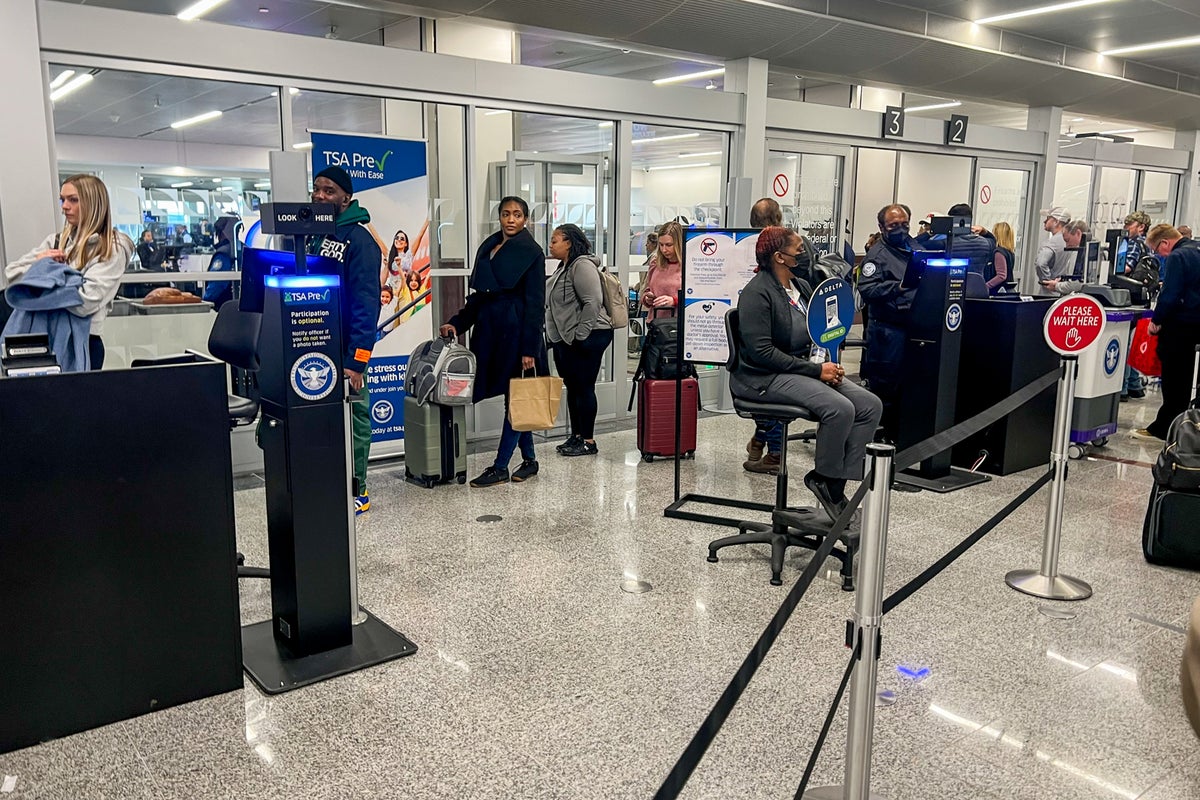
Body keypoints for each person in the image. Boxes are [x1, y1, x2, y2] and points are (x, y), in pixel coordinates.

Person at [731, 226, 882, 517]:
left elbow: (819, 331)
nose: (806, 254)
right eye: (799, 249)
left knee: (868, 405)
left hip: (799, 368)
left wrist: (827, 362)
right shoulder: (756, 294)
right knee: (839, 409)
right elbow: (763, 354)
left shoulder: (800, 286)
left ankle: (836, 483)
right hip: (762, 378)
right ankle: (823, 478)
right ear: (779, 257)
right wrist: (815, 371)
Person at [440, 196, 547, 488]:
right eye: (505, 214)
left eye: (517, 215)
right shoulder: (488, 246)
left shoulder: (532, 252)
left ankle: (500, 466)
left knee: (515, 398)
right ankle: (530, 460)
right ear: (498, 217)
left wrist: (529, 349)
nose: (511, 219)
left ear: (526, 219)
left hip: (517, 335)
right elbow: (479, 298)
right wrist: (457, 322)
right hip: (490, 332)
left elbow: (537, 304)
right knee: (515, 397)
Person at [306, 166, 382, 514]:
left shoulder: (361, 241)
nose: (321, 196)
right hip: (312, 343)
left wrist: (357, 361)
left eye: (330, 191)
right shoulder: (312, 236)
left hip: (345, 351)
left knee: (355, 420)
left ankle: (358, 490)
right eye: (317, 189)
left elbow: (367, 304)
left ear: (346, 198)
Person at [4, 174, 133, 370]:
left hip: (84, 342)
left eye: (73, 200)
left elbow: (86, 301)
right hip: (41, 341)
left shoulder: (112, 247)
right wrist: (41, 264)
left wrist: (43, 280)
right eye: (62, 199)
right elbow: (12, 276)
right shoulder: (56, 242)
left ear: (93, 203)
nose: (65, 206)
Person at [546, 223, 613, 458]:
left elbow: (592, 302)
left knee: (584, 388)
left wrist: (580, 336)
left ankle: (588, 440)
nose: (551, 244)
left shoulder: (582, 265)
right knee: (573, 388)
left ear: (569, 243)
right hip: (567, 338)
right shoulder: (562, 267)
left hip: (590, 335)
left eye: (555, 240)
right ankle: (576, 436)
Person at [858, 203, 922, 437]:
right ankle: (881, 437)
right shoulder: (876, 256)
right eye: (894, 225)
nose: (901, 229)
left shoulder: (914, 246)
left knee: (910, 384)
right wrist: (899, 287)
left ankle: (903, 434)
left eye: (905, 224)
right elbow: (867, 290)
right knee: (886, 387)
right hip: (887, 332)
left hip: (914, 327)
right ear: (882, 227)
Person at [1132, 224, 1200, 441]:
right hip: (1197, 325)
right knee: (1189, 378)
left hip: (1180, 326)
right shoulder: (1197, 249)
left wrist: (1157, 320)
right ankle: (1185, 427)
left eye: (1157, 250)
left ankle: (1164, 428)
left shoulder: (1178, 256)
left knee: (1173, 379)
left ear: (1165, 243)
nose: (1158, 255)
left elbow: (1170, 293)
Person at [744, 197, 786, 475]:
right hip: (781, 329)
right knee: (766, 394)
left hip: (764, 332)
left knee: (766, 394)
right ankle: (763, 440)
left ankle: (774, 452)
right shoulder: (790, 242)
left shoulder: (757, 245)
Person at [640, 220, 683, 320]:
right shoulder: (655, 263)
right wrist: (647, 298)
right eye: (661, 245)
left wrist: (674, 301)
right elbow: (647, 290)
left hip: (677, 324)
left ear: (679, 244)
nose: (664, 250)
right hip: (656, 323)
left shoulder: (689, 266)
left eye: (668, 245)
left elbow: (695, 298)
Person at [945, 203, 995, 278]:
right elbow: (993, 241)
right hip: (977, 285)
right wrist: (984, 231)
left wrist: (930, 232)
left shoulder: (947, 243)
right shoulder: (985, 243)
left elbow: (922, 244)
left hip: (953, 284)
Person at [201, 216, 238, 309]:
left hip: (224, 308)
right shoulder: (243, 248)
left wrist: (204, 302)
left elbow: (217, 283)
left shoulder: (224, 254)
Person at [1035, 207, 1072, 282]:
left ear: (1056, 222)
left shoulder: (1051, 243)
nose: (1044, 221)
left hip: (1050, 291)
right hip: (1066, 289)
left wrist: (1047, 281)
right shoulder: (1071, 241)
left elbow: (1040, 264)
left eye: (1048, 218)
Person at [989, 221, 1016, 294]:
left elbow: (1001, 276)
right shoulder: (1010, 253)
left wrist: (985, 286)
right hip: (1009, 291)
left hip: (1000, 292)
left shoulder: (999, 253)